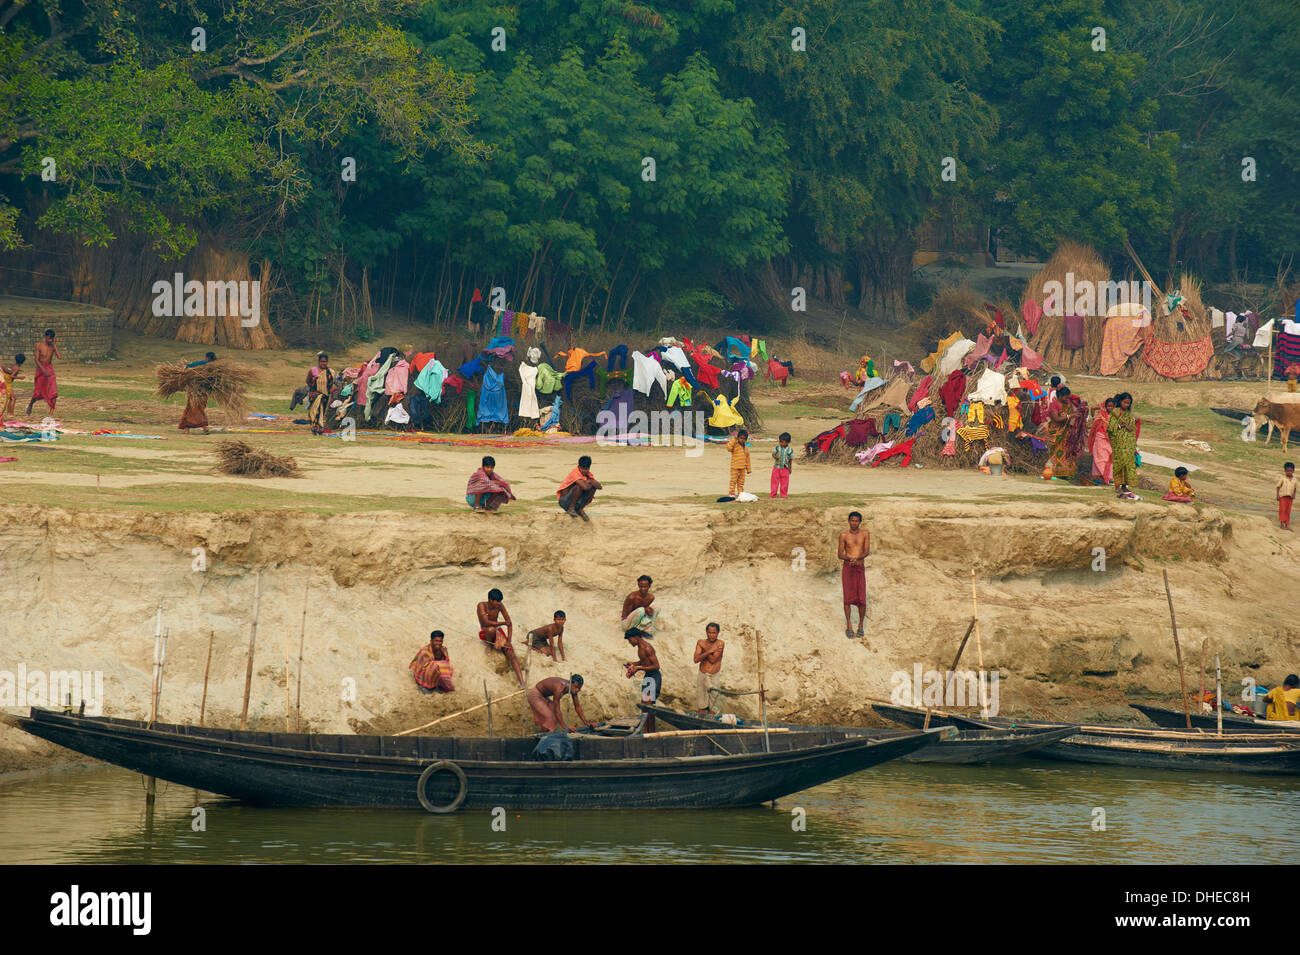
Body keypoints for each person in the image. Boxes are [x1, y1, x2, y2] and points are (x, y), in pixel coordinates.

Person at [477, 588, 523, 687]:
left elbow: (509, 623)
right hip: (485, 632)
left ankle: (522, 682)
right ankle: (489, 645)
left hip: (497, 630)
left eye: (500, 601)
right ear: (490, 600)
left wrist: (509, 640)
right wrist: (503, 623)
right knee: (491, 630)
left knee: (510, 653)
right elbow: (485, 622)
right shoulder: (481, 605)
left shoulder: (500, 606)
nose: (499, 603)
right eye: (497, 601)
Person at [837, 511, 870, 639]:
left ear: (860, 522)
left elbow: (867, 551)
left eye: (856, 521)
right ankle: (849, 625)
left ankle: (860, 625)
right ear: (848, 521)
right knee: (847, 597)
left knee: (861, 597)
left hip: (860, 567)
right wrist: (848, 559)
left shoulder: (865, 534)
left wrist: (858, 558)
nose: (854, 523)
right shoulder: (843, 535)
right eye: (852, 520)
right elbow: (839, 554)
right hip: (848, 567)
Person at [527, 674, 594, 732]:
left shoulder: (573, 690)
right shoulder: (559, 688)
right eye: (576, 687)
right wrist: (565, 727)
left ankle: (543, 734)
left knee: (553, 719)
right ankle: (543, 738)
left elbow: (577, 707)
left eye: (579, 688)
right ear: (571, 683)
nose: (577, 690)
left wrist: (586, 723)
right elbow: (556, 710)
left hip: (544, 696)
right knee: (550, 717)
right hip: (535, 695)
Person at [625, 628, 660, 732]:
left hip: (653, 676)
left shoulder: (647, 648)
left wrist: (638, 668)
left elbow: (656, 666)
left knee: (649, 707)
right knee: (644, 707)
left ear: (636, 637)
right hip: (648, 676)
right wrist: (634, 664)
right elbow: (644, 660)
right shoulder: (640, 647)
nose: (630, 642)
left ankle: (651, 732)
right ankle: (646, 731)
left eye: (630, 640)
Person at [1107, 393, 1139, 500]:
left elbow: (1132, 429)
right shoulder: (1115, 412)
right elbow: (1111, 428)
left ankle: (1125, 486)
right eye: (1125, 402)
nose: (1126, 404)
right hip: (1118, 443)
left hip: (1128, 444)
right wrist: (1123, 425)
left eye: (1128, 403)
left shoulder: (1129, 413)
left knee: (1127, 464)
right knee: (1119, 464)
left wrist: (1133, 445)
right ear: (1120, 401)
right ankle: (1117, 486)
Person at [26, 329, 60, 415]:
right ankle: (30, 404)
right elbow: (36, 360)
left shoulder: (52, 346)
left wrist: (55, 345)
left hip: (49, 369)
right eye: (49, 338)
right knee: (38, 392)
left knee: (53, 390)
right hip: (40, 370)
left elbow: (59, 356)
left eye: (52, 339)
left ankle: (51, 413)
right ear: (45, 337)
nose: (50, 340)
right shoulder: (39, 345)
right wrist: (43, 370)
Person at [557, 455, 602, 521]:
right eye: (583, 468)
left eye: (586, 469)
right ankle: (571, 509)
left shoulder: (588, 474)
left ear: (589, 468)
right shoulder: (575, 473)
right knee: (579, 487)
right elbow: (585, 487)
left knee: (593, 487)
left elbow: (599, 487)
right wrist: (589, 481)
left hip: (577, 502)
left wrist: (590, 481)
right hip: (565, 501)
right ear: (579, 466)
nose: (584, 470)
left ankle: (580, 509)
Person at [693, 622, 725, 713]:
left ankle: (712, 720)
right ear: (706, 632)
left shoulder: (720, 643)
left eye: (714, 633)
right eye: (709, 632)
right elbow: (695, 659)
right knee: (701, 703)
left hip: (713, 675)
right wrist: (709, 651)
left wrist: (704, 650)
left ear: (718, 633)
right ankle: (701, 722)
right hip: (702, 674)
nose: (711, 635)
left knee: (714, 704)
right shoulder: (701, 642)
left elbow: (713, 660)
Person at [307, 352, 335, 435]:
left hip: (325, 396)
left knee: (321, 412)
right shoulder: (313, 370)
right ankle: (315, 427)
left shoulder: (330, 372)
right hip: (315, 395)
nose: (323, 363)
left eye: (325, 361)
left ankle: (319, 427)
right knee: (315, 411)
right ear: (319, 362)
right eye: (322, 361)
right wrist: (314, 390)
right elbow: (308, 381)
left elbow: (331, 384)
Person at [1090, 397, 1115, 485]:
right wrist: (1092, 418)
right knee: (1099, 458)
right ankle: (1102, 478)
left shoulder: (1113, 416)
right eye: (1109, 406)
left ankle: (1106, 477)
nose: (1110, 408)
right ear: (1105, 406)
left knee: (1108, 457)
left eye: (1112, 406)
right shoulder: (1100, 415)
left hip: (1109, 440)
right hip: (1100, 438)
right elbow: (1095, 427)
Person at [726, 428, 751, 498]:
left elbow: (747, 459)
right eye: (741, 438)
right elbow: (728, 448)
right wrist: (734, 439)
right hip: (735, 467)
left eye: (744, 439)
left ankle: (740, 493)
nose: (742, 440)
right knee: (733, 481)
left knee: (741, 482)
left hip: (743, 468)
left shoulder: (746, 447)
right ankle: (731, 493)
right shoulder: (735, 445)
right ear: (738, 438)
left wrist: (748, 469)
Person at [1, 353, 25, 421]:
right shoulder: (17, 368)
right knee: (13, 398)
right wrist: (20, 377)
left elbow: (10, 371)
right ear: (23, 361)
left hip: (6, 382)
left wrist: (17, 371)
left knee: (11, 398)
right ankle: (11, 414)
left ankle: (9, 413)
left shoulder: (13, 365)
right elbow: (12, 376)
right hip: (8, 384)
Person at [771, 432, 794, 498]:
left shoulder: (790, 450)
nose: (780, 443)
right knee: (774, 481)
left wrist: (790, 468)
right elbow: (773, 454)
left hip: (785, 468)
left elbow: (790, 459)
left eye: (782, 442)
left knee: (785, 482)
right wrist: (775, 457)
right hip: (776, 467)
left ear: (787, 442)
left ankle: (783, 495)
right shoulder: (777, 448)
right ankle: (773, 494)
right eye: (780, 442)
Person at [1278, 462, 1296, 530]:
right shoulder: (1282, 478)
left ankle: (1287, 525)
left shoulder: (1295, 480)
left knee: (1288, 511)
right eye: (1287, 471)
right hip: (1283, 497)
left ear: (1293, 471)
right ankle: (1282, 525)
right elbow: (1278, 487)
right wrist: (1278, 495)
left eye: (1291, 471)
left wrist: (1294, 495)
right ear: (1285, 471)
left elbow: (1295, 488)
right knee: (1282, 510)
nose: (1289, 472)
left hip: (1290, 498)